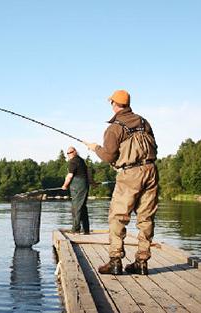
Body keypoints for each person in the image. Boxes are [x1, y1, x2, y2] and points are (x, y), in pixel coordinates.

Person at [84, 90, 158, 275]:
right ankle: (142, 262)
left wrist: (95, 148)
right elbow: (154, 146)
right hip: (151, 171)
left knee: (118, 217)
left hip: (130, 174)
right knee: (146, 218)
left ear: (114, 104)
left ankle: (115, 261)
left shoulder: (114, 128)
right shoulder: (143, 122)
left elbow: (108, 155)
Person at [61, 146, 90, 235]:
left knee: (76, 208)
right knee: (82, 207)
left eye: (70, 152)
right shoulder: (81, 160)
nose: (68, 155)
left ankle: (76, 230)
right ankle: (86, 230)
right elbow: (88, 172)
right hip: (84, 185)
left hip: (78, 186)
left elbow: (69, 176)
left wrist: (65, 185)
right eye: (67, 153)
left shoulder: (73, 162)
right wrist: (92, 182)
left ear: (75, 152)